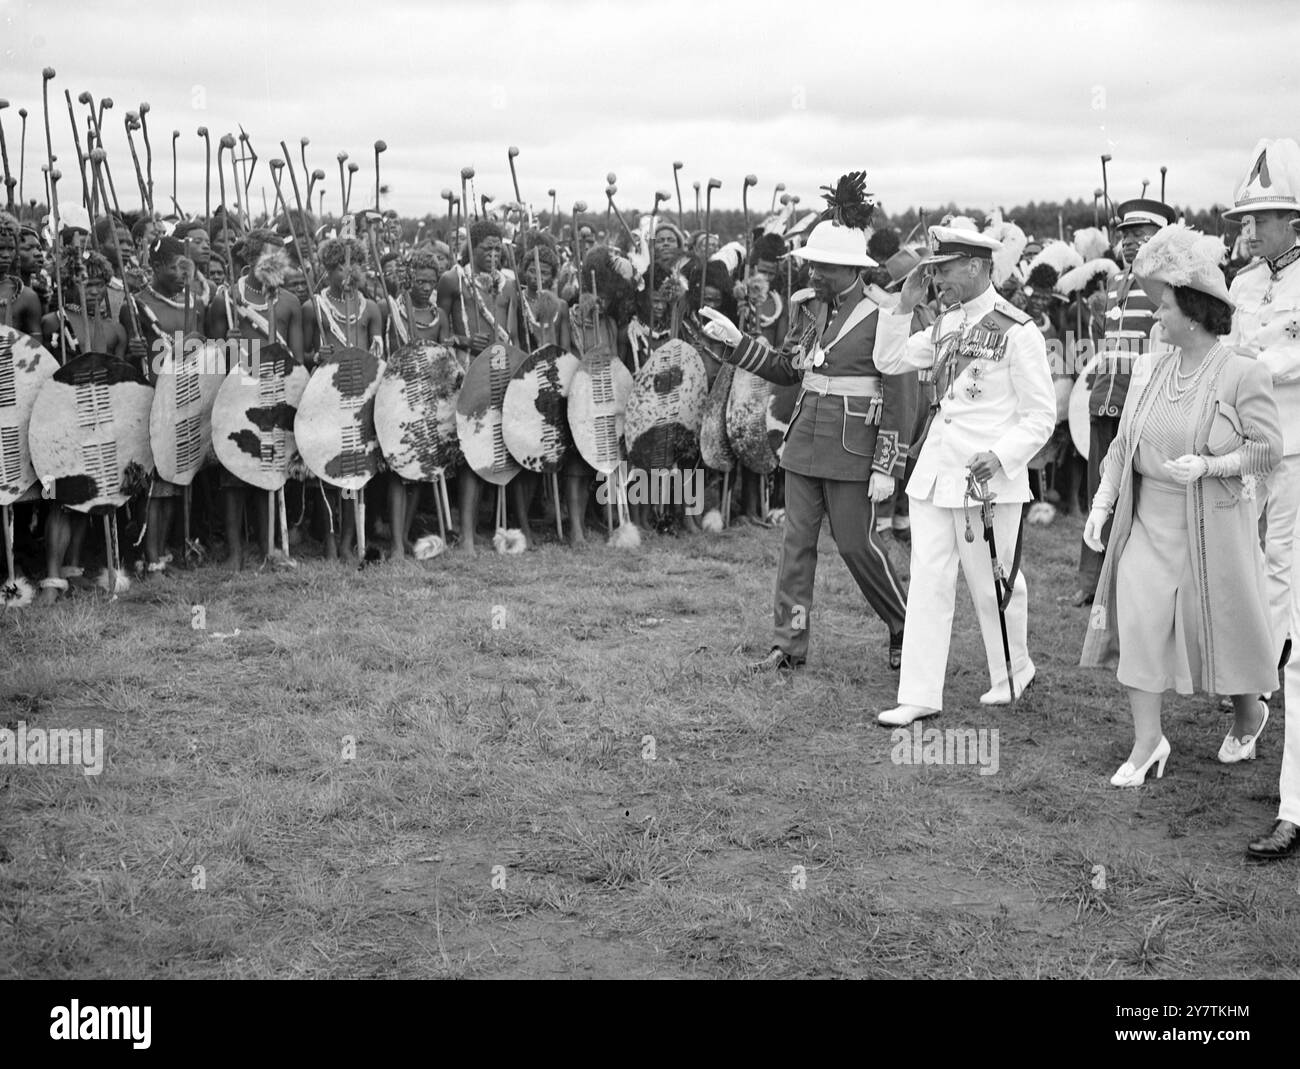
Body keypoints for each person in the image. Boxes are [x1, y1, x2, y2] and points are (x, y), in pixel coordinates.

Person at [1080, 224, 1282, 787]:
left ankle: (1249, 711)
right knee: (1141, 620)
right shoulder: (1152, 368)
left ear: (1192, 312)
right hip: (1149, 520)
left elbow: (1269, 450)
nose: (1156, 316)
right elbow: (1123, 444)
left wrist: (1212, 466)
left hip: (1213, 524)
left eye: (1164, 306)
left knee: (1218, 626)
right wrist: (1101, 504)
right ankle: (1148, 742)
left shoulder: (1244, 372)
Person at [702, 172, 914, 672]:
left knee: (857, 545)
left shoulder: (886, 314)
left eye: (822, 266)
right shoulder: (809, 309)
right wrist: (738, 344)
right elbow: (787, 368)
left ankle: (904, 624)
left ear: (848, 268)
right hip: (804, 441)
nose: (812, 273)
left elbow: (901, 394)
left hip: (854, 447)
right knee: (796, 545)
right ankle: (788, 645)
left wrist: (888, 464)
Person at [870, 225, 1057, 726]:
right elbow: (888, 360)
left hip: (987, 476)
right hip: (936, 471)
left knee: (992, 583)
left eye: (944, 269)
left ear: (975, 266)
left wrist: (1001, 455)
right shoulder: (944, 323)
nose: (937, 279)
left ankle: (1012, 672)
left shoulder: (1019, 330)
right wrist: (902, 308)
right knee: (929, 580)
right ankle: (919, 694)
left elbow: (1041, 414)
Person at [1071, 198, 1176, 606]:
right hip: (1104, 401)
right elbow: (1106, 344)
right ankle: (1090, 580)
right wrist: (1095, 378)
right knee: (1101, 491)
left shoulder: (1167, 285)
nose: (1130, 245)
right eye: (1126, 237)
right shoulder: (1115, 284)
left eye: (1140, 236)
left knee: (1140, 500)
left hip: (1144, 406)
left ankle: (1127, 584)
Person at [1221, 139, 1300, 673]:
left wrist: (1257, 363)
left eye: (1259, 220)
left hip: (1295, 440)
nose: (1247, 233)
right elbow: (1228, 348)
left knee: (1283, 556)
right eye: (1244, 222)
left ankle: (1274, 662)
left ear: (1293, 221)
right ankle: (1257, 660)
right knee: (1244, 553)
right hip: (1250, 442)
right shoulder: (1243, 283)